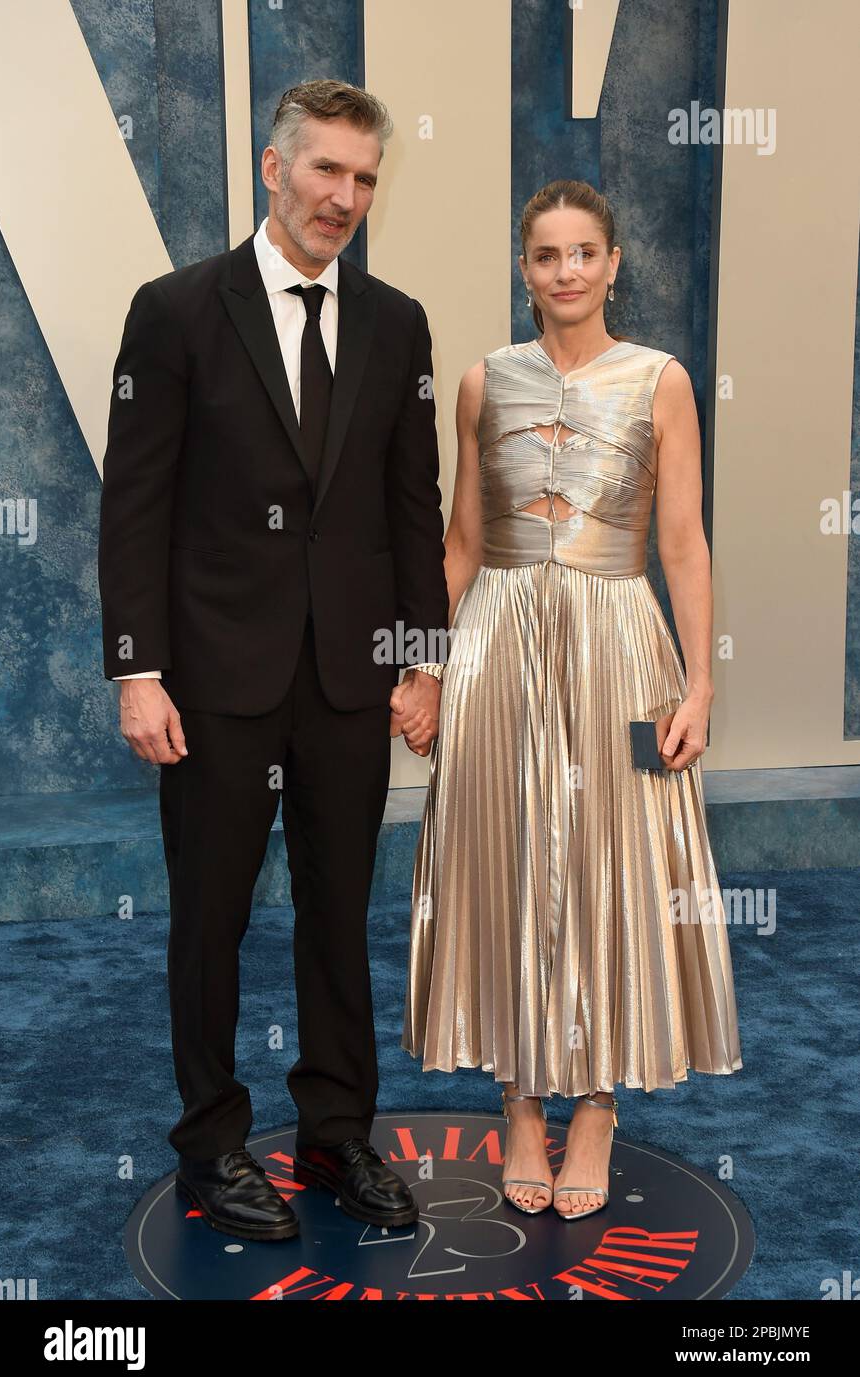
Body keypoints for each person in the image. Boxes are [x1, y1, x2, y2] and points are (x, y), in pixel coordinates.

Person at [98, 79, 448, 1240]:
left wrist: (421, 658)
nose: (342, 198)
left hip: (350, 677)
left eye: (362, 179)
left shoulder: (396, 321)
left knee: (337, 911)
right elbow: (134, 505)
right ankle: (210, 1140)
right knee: (210, 915)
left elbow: (413, 504)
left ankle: (338, 1131)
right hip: (212, 680)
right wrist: (136, 669)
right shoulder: (176, 309)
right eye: (324, 172)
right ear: (272, 168)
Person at [402, 179, 742, 1220]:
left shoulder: (660, 381)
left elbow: (680, 541)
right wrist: (421, 666)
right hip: (497, 641)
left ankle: (593, 1101)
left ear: (612, 261)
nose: (565, 272)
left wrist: (698, 681)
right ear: (523, 268)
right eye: (545, 255)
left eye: (582, 253)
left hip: (618, 645)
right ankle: (517, 1101)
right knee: (502, 853)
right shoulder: (478, 382)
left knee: (610, 853)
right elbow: (458, 544)